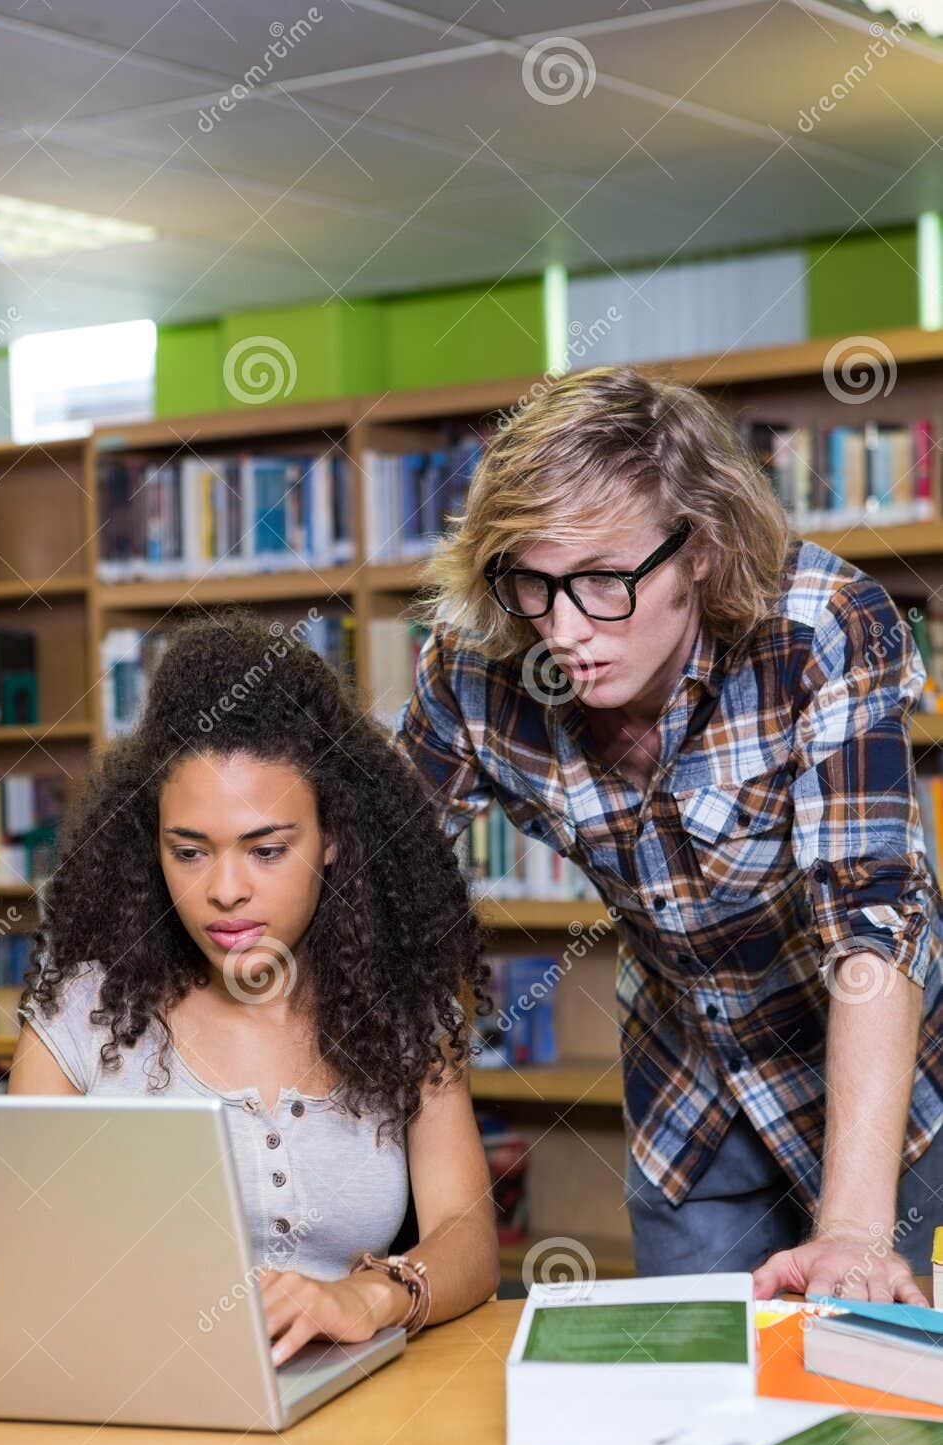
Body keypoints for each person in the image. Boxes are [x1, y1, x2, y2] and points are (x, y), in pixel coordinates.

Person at [396, 363, 943, 1305]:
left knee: (885, 1376)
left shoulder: (819, 624)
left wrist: (853, 1229)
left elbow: (874, 918)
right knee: (693, 1385)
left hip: (896, 1099)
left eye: (603, 581)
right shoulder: (475, 665)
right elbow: (376, 874)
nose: (563, 630)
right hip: (691, 1101)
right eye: (533, 582)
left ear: (699, 548)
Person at [10, 611, 499, 1363]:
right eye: (189, 852)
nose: (225, 890)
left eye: (266, 850)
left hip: (350, 1393)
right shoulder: (81, 1015)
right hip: (132, 1383)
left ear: (333, 838)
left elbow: (466, 1237)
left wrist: (368, 1298)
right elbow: (22, 1253)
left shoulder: (403, 1008)